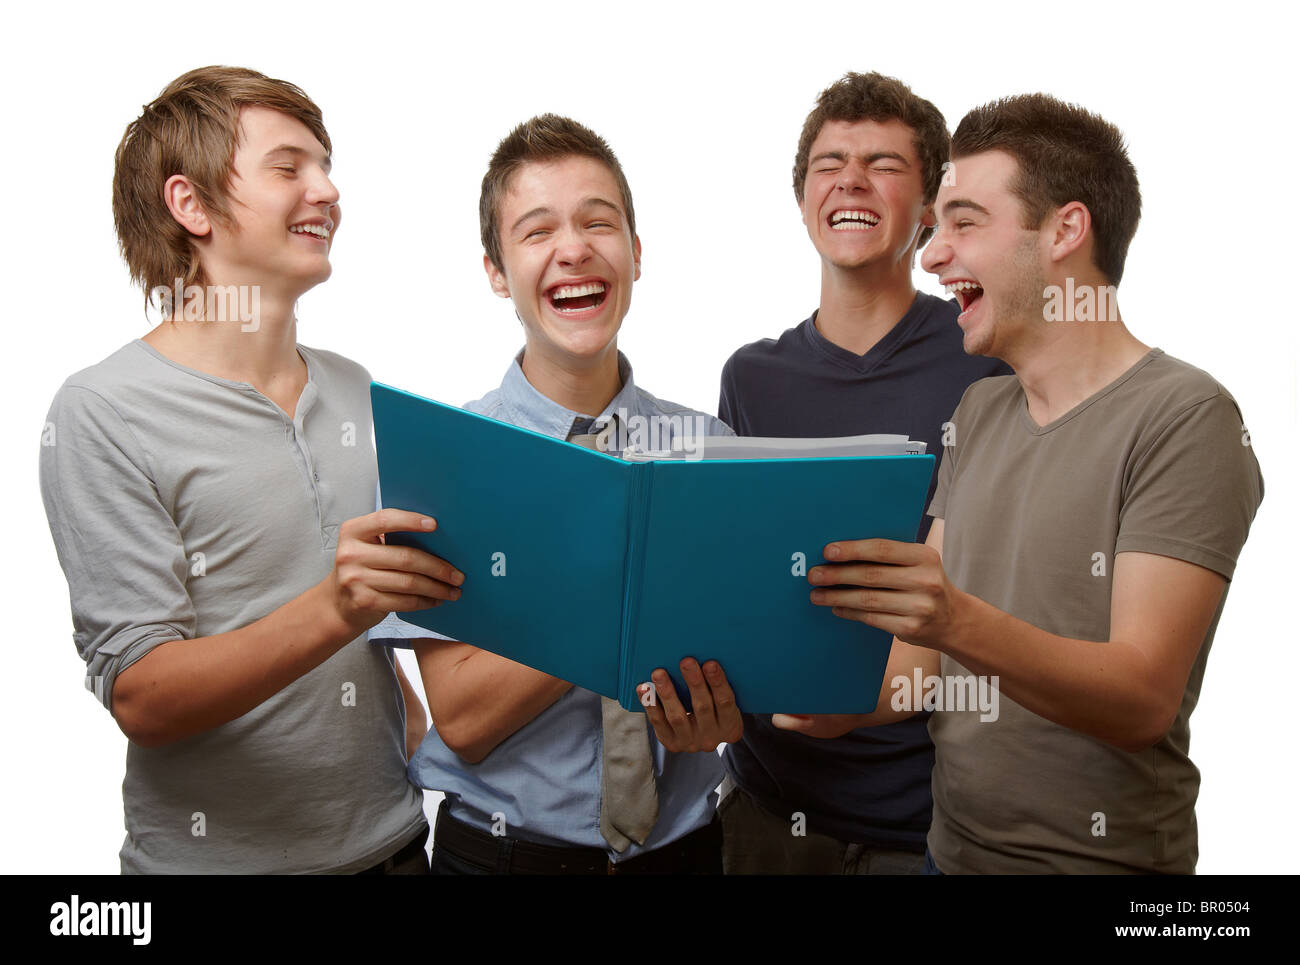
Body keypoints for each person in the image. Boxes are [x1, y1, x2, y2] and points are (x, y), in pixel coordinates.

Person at [790, 93, 1264, 873]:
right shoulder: (979, 409)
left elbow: (1142, 696)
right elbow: (923, 662)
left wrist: (952, 619)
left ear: (1065, 232)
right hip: (950, 855)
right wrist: (832, 706)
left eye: (965, 223)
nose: (934, 255)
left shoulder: (1188, 416)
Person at [39, 66, 464, 874]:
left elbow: (363, 632)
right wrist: (335, 606)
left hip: (400, 848)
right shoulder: (101, 410)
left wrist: (427, 745)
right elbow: (143, 694)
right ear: (190, 205)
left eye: (327, 166)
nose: (327, 190)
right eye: (290, 167)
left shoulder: (354, 387)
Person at [371, 113, 742, 874]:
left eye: (598, 222)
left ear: (635, 255)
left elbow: (745, 671)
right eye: (537, 231)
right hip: (506, 856)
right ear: (497, 271)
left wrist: (718, 718)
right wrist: (627, 575)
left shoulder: (714, 450)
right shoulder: (447, 461)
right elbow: (467, 720)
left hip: (687, 849)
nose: (574, 247)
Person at [717, 71, 1010, 874]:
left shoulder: (985, 361)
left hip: (921, 822)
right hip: (765, 809)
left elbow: (1006, 590)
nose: (849, 178)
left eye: (882, 162)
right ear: (803, 198)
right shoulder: (751, 375)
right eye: (828, 162)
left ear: (927, 211)